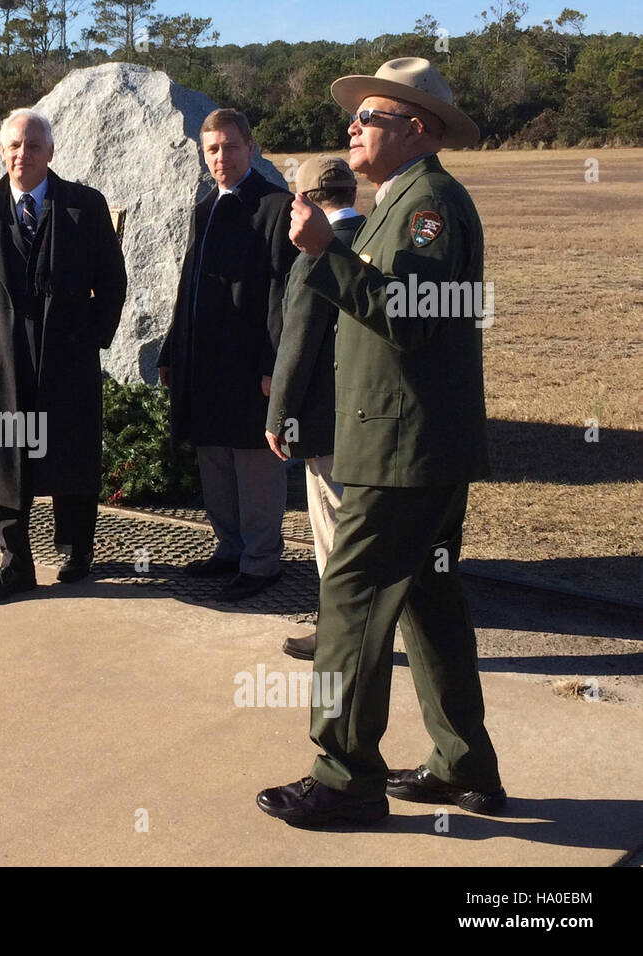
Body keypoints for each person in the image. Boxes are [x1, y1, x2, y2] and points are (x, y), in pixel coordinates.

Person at [257, 57, 503, 828]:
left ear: (416, 127)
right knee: (428, 606)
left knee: (352, 607)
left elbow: (411, 316)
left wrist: (323, 253)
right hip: (414, 447)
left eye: (370, 117)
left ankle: (343, 779)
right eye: (357, 118)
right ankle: (463, 765)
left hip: (399, 451)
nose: (352, 129)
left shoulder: (429, 203)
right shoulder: (406, 200)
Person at [0, 108, 127, 604]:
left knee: (69, 452)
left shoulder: (85, 207)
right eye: (14, 146)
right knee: (5, 461)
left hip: (65, 359)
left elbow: (112, 280)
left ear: (50, 151)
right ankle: (15, 564)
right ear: (3, 152)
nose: (22, 154)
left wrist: (90, 336)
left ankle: (77, 549)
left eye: (32, 145)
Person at [158, 109, 297, 603]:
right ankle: (229, 548)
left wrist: (270, 366)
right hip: (203, 363)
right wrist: (174, 348)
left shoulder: (276, 207)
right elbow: (188, 286)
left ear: (251, 148)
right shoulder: (204, 207)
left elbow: (285, 295)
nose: (221, 157)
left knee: (254, 462)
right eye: (212, 149)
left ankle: (261, 561)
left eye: (230, 147)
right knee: (214, 457)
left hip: (248, 366)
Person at [264, 157, 365, 660]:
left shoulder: (314, 256)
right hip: (371, 420)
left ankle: (337, 635)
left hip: (324, 423)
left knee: (331, 534)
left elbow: (296, 345)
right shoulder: (371, 241)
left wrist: (278, 417)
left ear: (301, 201)